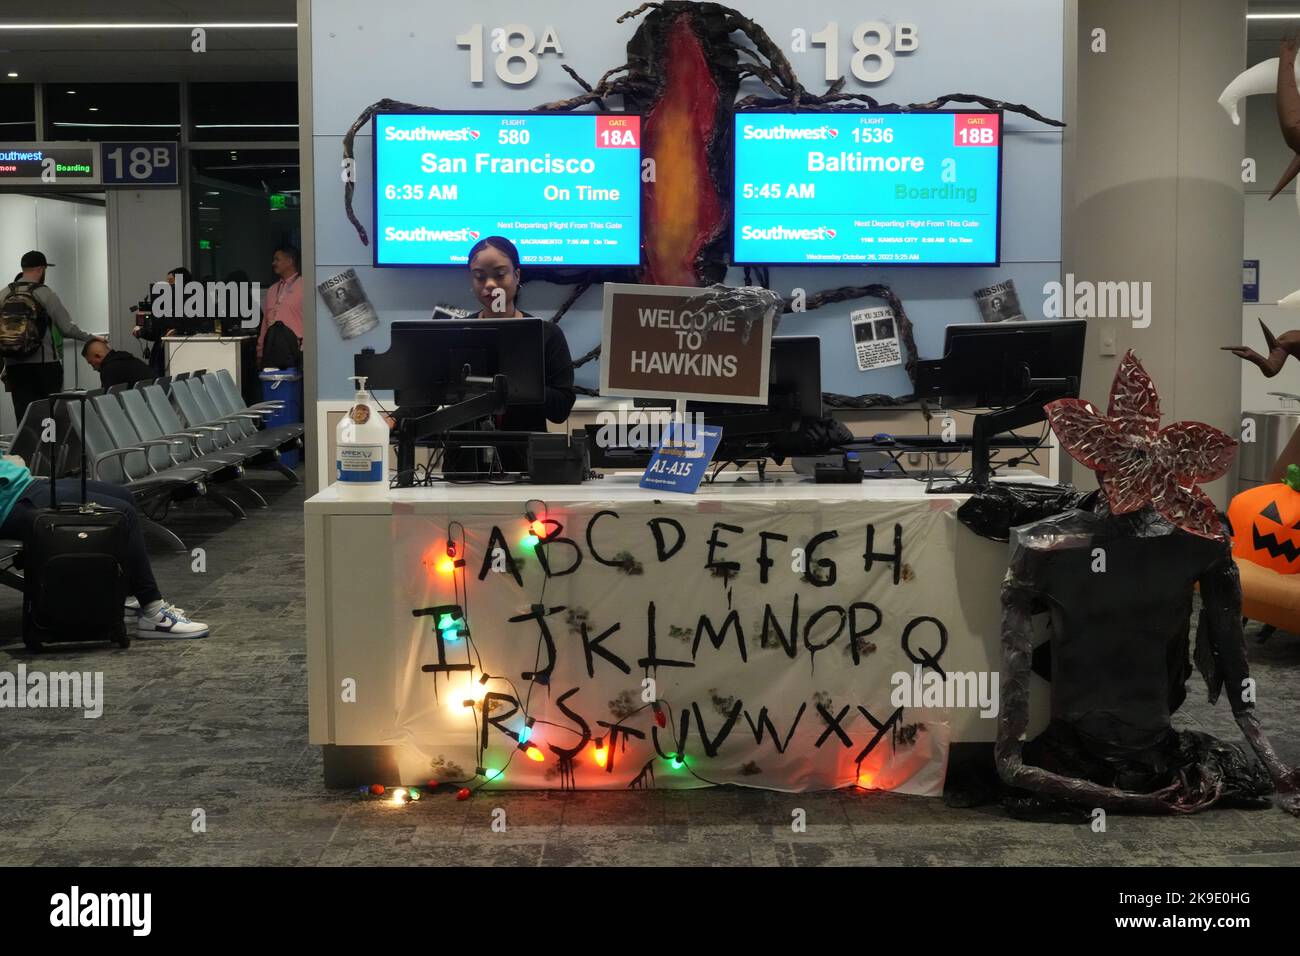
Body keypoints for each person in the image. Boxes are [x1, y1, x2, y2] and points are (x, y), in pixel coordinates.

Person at [386, 236, 577, 475]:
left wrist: (519, 382)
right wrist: (392, 421)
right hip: (462, 470)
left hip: (527, 468)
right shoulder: (454, 334)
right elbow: (426, 398)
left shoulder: (546, 334)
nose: (489, 285)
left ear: (517, 276)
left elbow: (561, 409)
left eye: (499, 274)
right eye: (479, 276)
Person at [0, 455, 209, 638]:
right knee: (121, 513)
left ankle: (126, 598)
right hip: (9, 503)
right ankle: (154, 613)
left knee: (123, 495)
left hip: (22, 484)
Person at [1, 251, 101, 423]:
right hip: (44, 366)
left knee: (25, 418)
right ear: (41, 269)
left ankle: (27, 450)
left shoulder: (4, 294)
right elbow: (67, 328)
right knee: (50, 418)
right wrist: (90, 338)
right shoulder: (45, 293)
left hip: (14, 367)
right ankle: (49, 450)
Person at [132, 266, 188, 377]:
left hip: (181, 356)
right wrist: (141, 331)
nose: (167, 285)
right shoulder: (163, 305)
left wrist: (178, 330)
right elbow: (156, 333)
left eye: (171, 282)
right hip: (160, 356)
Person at [257, 246, 303, 364]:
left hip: (296, 349)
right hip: (271, 350)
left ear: (289, 261)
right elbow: (265, 323)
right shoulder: (272, 290)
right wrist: (260, 350)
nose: (273, 263)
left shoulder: (304, 285)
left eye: (277, 259)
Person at [82, 339, 155, 389]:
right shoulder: (131, 360)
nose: (93, 368)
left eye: (91, 363)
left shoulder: (109, 369)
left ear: (98, 356)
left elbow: (106, 400)